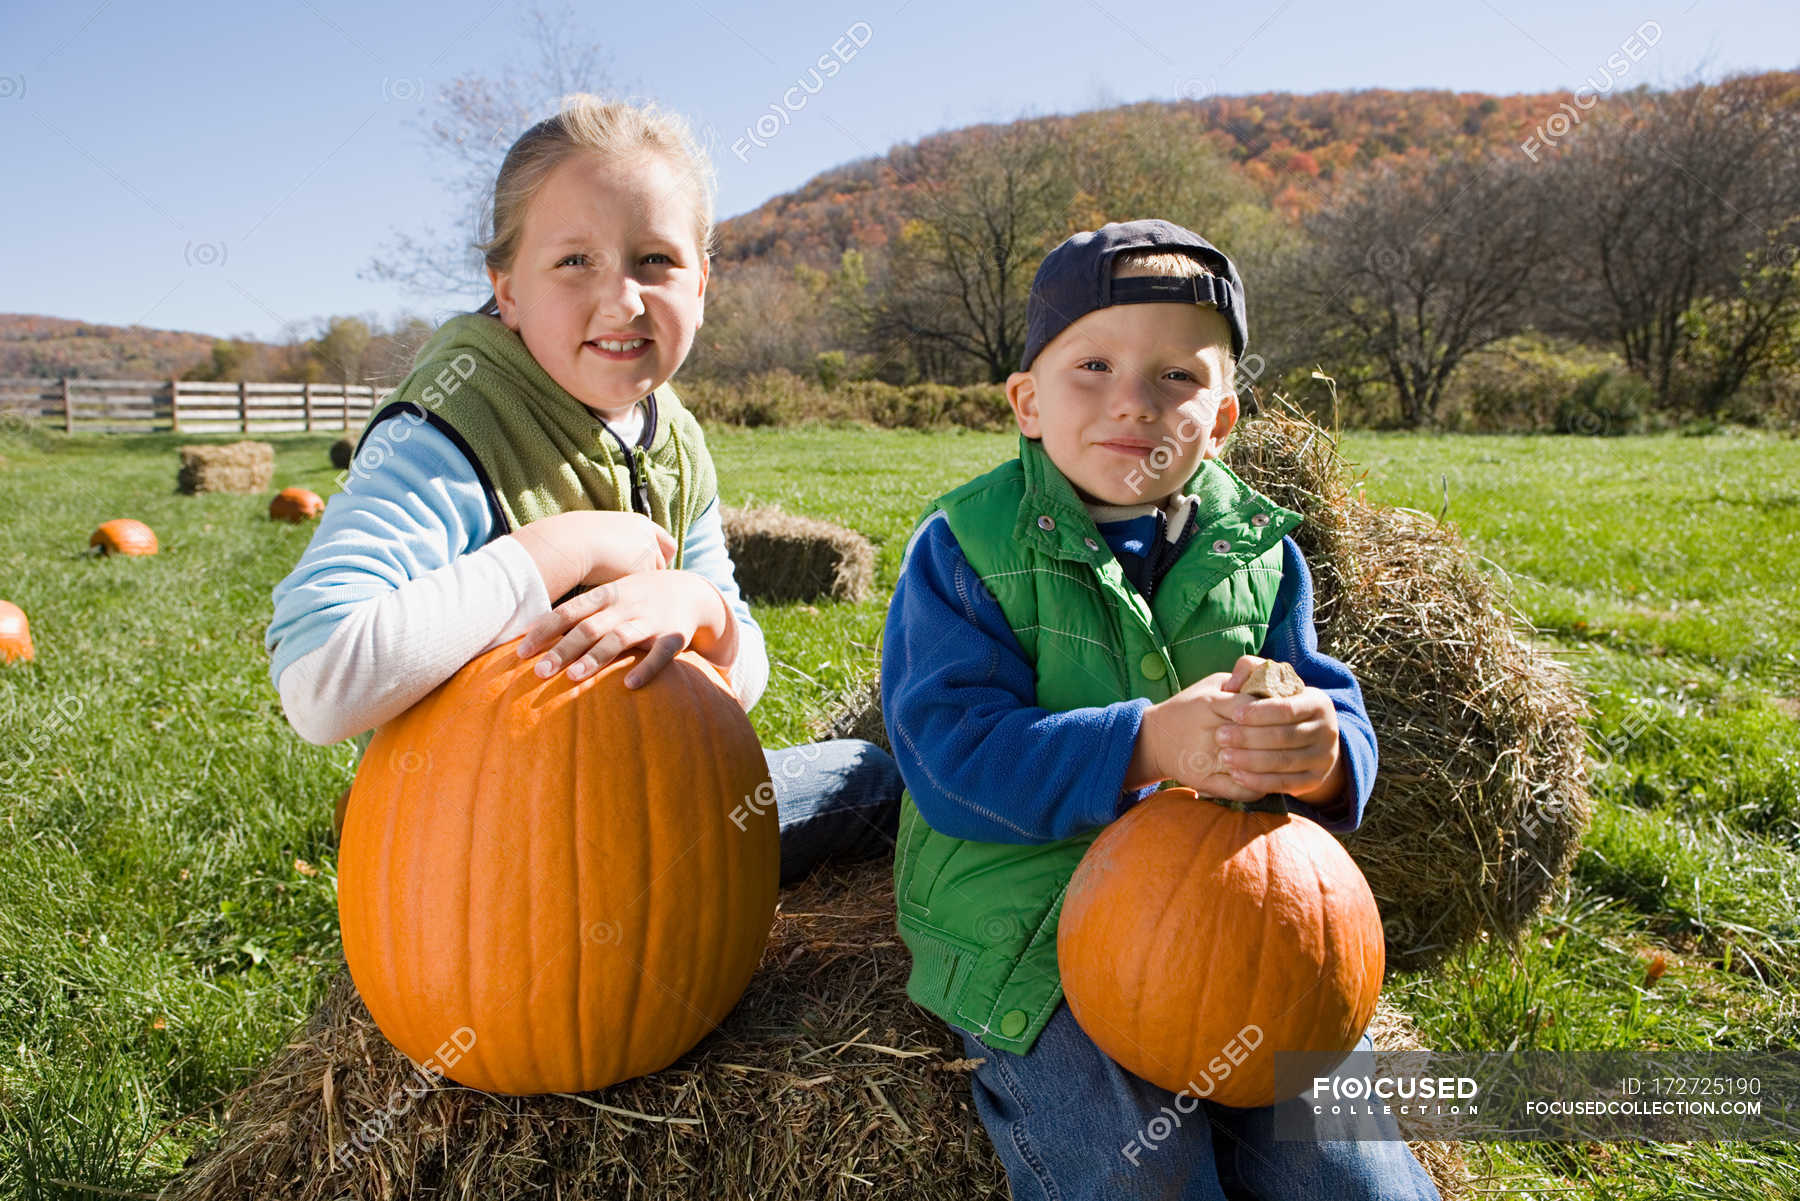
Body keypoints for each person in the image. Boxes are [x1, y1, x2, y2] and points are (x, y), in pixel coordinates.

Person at [880, 219, 1438, 1200]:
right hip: (1029, 933)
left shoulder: (1262, 552)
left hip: (1241, 931)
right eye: (1094, 364)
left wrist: (1319, 753)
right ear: (1028, 403)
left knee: (1359, 1181)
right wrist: (1144, 743)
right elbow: (952, 758)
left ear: (1222, 418)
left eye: (1178, 376)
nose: (1133, 401)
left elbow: (1328, 701)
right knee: (1142, 1174)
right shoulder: (966, 549)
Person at [267, 93, 898, 886]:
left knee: (867, 777)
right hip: (485, 855)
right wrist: (554, 553)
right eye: (575, 261)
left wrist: (700, 609)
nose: (623, 299)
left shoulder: (675, 438)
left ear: (701, 282)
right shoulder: (448, 430)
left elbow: (739, 679)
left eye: (656, 260)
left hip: (640, 794)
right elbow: (319, 680)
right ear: (508, 290)